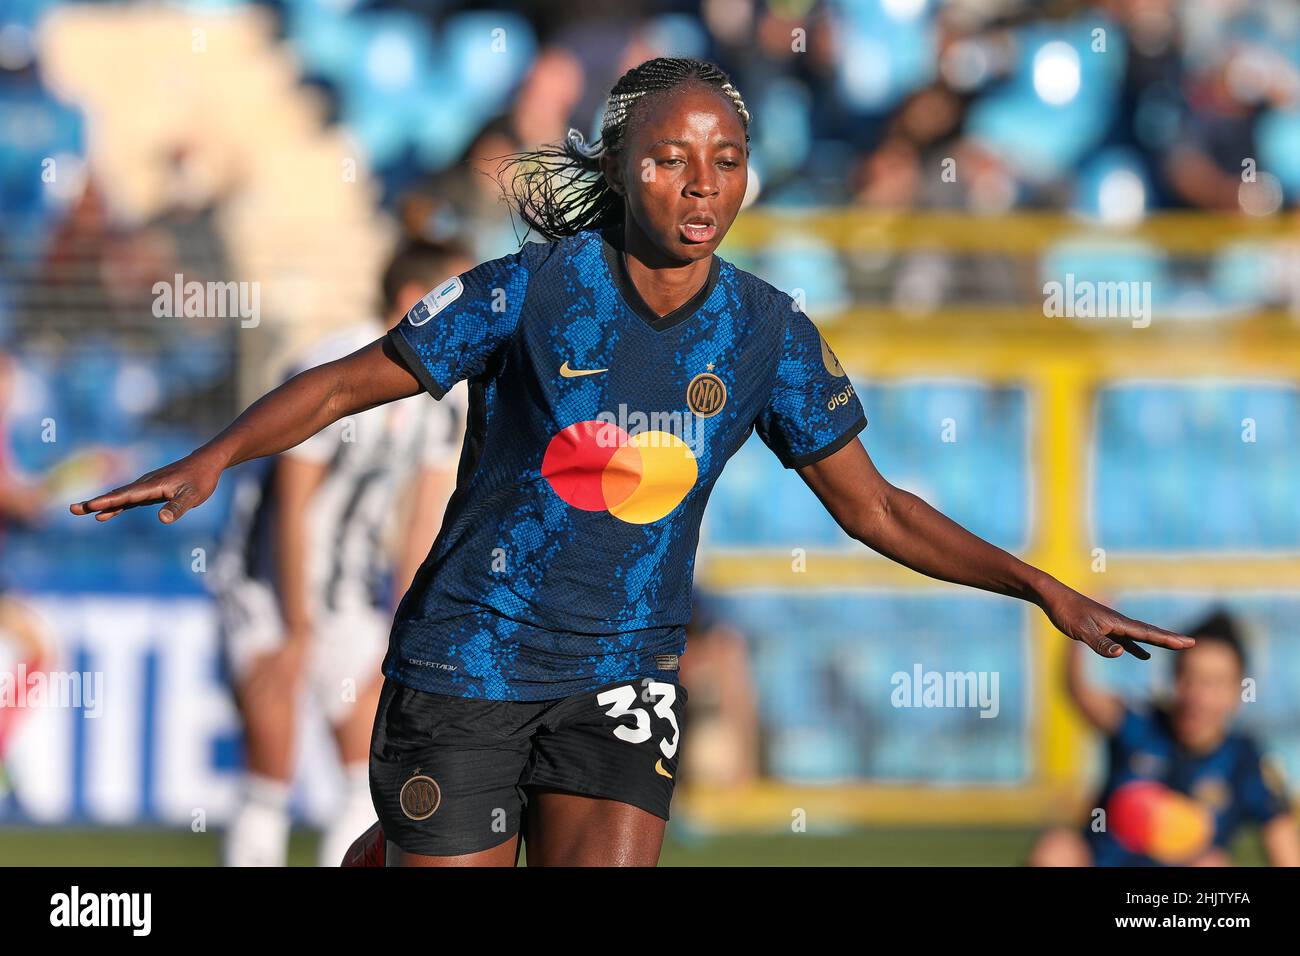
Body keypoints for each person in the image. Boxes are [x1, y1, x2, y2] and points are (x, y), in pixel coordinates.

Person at [71, 57, 1193, 868]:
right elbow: (347, 380)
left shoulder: (769, 334)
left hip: (621, 676)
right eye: (672, 159)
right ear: (620, 166)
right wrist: (214, 455)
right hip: (467, 661)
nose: (703, 184)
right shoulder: (527, 289)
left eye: (727, 160)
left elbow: (880, 509)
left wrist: (1042, 587)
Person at [212, 239, 469, 866]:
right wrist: (297, 631)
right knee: (269, 776)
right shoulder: (336, 367)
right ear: (416, 302)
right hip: (268, 584)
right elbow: (290, 508)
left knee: (366, 782)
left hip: (350, 591)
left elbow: (421, 522)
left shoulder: (450, 397)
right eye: (460, 292)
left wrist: (400, 630)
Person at [1030, 608, 1299, 867]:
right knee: (1058, 848)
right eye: (1190, 677)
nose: (1199, 696)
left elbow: (1284, 846)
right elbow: (1080, 693)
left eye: (1214, 682)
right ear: (1174, 679)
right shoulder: (1139, 724)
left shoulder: (1246, 760)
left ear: (1237, 690)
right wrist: (1081, 629)